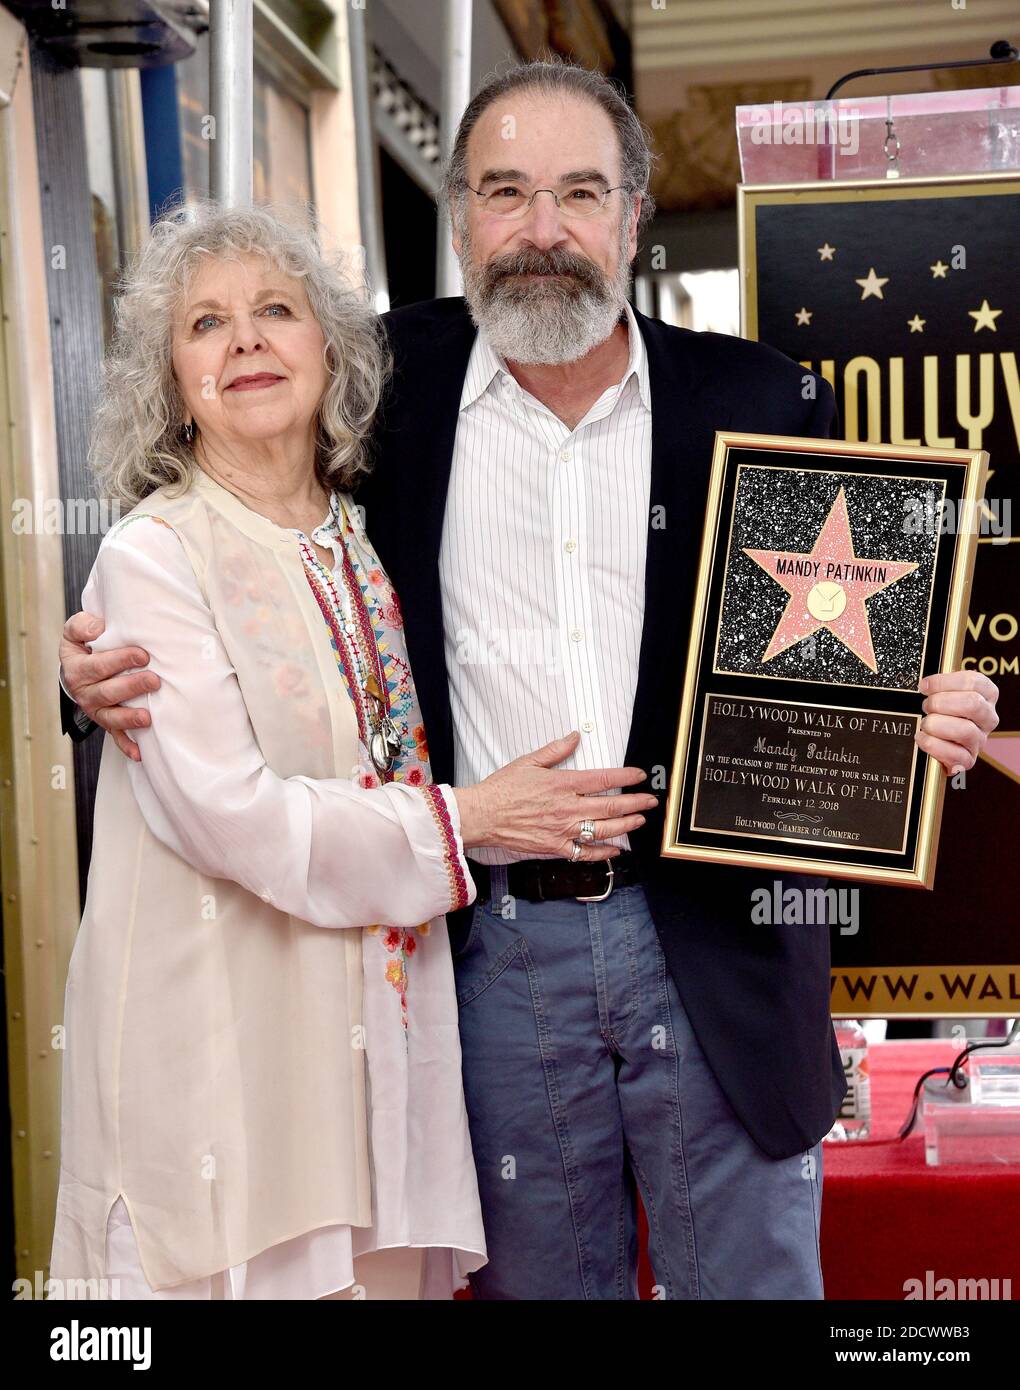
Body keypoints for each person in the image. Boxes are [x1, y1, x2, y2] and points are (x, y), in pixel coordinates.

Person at [61, 62, 1000, 1300]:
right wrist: (94, 659)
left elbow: (831, 657)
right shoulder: (382, 387)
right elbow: (224, 517)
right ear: (459, 216)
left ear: (633, 215)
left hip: (717, 944)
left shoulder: (761, 398)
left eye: (578, 192)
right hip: (490, 961)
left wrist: (912, 717)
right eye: (505, 192)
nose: (542, 231)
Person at [50, 200, 656, 1301]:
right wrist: (468, 819)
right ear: (167, 380)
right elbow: (242, 820)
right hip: (225, 1055)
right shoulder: (155, 557)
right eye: (206, 324)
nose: (244, 341)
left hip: (380, 1054)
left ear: (331, 351)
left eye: (276, 311)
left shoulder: (372, 539)